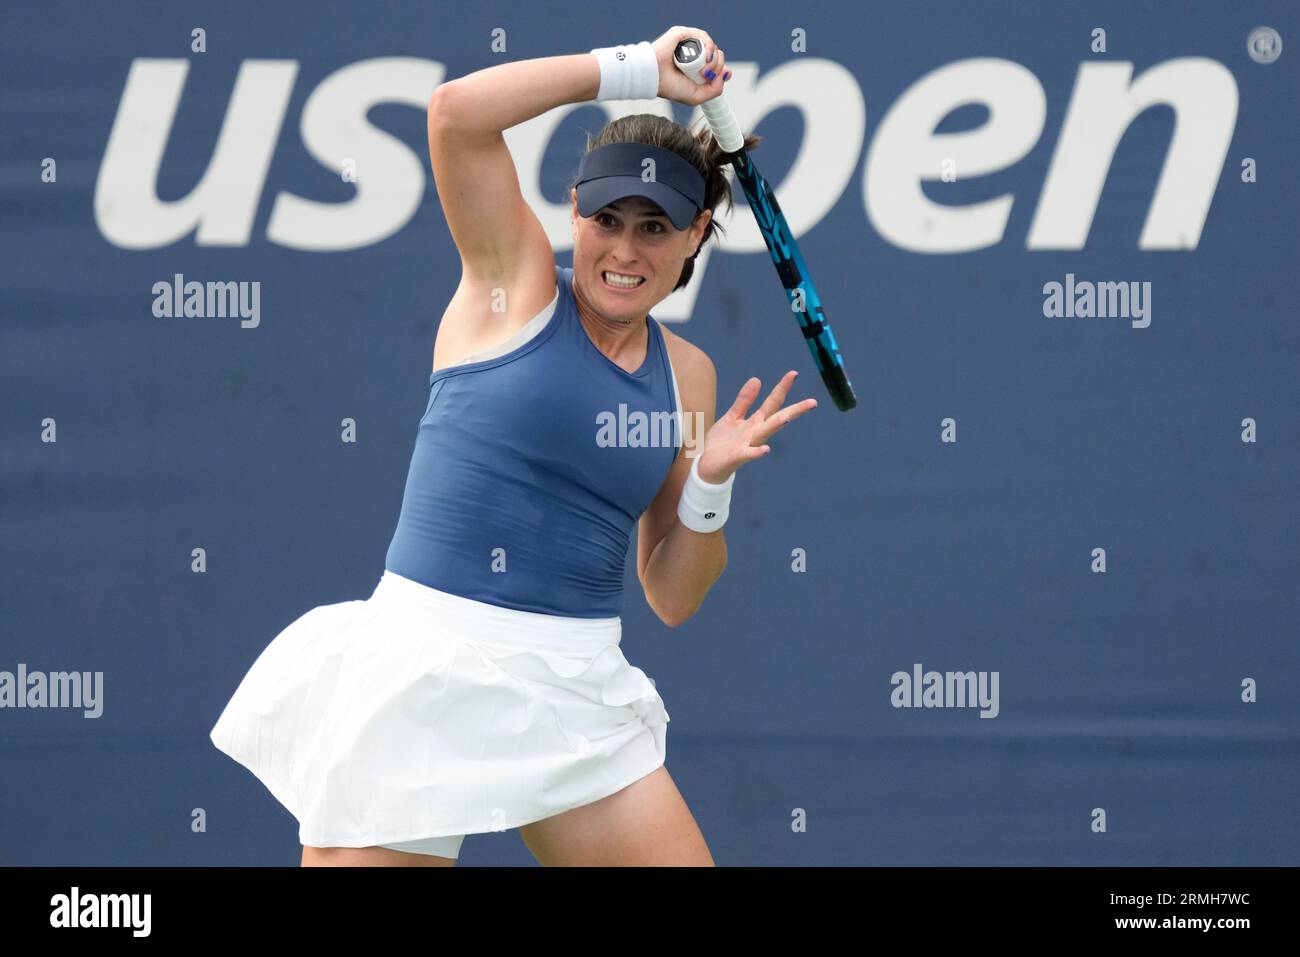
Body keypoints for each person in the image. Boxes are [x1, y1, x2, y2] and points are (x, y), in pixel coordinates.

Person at [209, 24, 818, 867]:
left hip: (577, 690)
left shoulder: (692, 379)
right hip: (424, 666)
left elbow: (673, 597)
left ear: (694, 239)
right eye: (607, 217)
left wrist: (708, 483)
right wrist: (638, 69)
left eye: (655, 226)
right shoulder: (513, 281)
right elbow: (456, 115)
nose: (625, 249)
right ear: (572, 212)